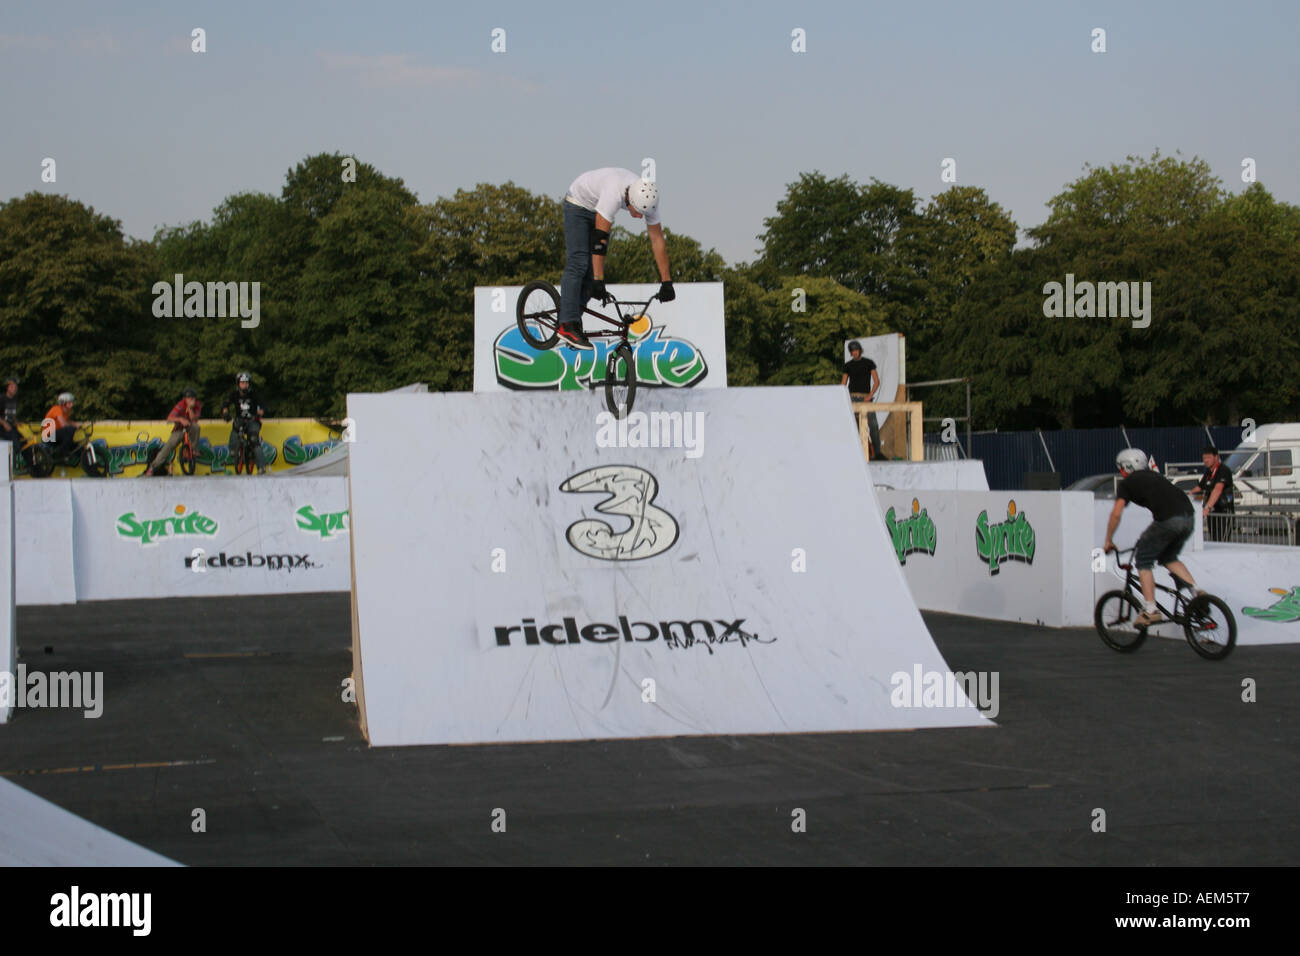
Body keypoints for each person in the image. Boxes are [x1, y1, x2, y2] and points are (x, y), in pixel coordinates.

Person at [557, 168, 675, 349]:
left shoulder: (649, 200)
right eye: (636, 212)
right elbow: (599, 242)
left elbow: (657, 240)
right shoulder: (613, 194)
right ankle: (567, 325)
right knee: (579, 262)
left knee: (590, 276)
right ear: (629, 200)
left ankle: (573, 322)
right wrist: (599, 280)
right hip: (578, 205)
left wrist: (667, 282)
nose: (639, 217)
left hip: (597, 205)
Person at [1104, 448, 1200, 627]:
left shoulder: (1127, 483)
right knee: (1168, 557)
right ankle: (1197, 595)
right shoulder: (1155, 476)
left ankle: (1150, 610)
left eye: (1121, 468)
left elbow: (1116, 514)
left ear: (1126, 467)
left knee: (1143, 560)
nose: (1121, 472)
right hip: (1189, 517)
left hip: (1169, 521)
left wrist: (1108, 540)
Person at [141, 388, 202, 477]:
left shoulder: (197, 405)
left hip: (190, 426)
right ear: (185, 399)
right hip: (179, 429)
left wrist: (190, 409)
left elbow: (194, 419)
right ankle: (153, 467)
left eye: (193, 398)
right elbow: (169, 418)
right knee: (170, 445)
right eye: (189, 398)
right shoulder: (180, 405)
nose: (191, 400)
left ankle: (193, 449)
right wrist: (180, 419)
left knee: (196, 427)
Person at [841, 341, 883, 459]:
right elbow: (843, 384)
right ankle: (855, 454)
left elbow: (876, 381)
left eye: (856, 350)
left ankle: (878, 453)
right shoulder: (848, 365)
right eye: (852, 351)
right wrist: (843, 397)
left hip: (865, 397)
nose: (854, 353)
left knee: (873, 425)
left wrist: (870, 395)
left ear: (860, 350)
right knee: (853, 426)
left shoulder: (869, 363)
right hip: (852, 397)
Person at [220, 372, 265, 473]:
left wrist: (260, 412)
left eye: (246, 383)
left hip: (253, 420)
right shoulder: (234, 394)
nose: (244, 385)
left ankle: (261, 467)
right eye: (242, 383)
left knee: (254, 440)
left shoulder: (253, 394)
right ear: (238, 384)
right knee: (235, 431)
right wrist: (225, 413)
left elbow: (262, 405)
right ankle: (235, 451)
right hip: (240, 420)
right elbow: (225, 404)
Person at [1190, 444, 1234, 542]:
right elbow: (1199, 488)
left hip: (1223, 512)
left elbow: (1217, 490)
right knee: (1214, 539)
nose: (1206, 460)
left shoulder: (1223, 470)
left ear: (1216, 457)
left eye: (1208, 457)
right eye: (1204, 458)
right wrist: (1187, 497)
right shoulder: (1208, 472)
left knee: (1223, 541)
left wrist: (1207, 507)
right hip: (1212, 513)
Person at [43, 392, 78, 458]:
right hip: (49, 436)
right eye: (70, 402)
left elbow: (68, 421)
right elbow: (63, 424)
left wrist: (77, 425)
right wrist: (74, 426)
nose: (72, 404)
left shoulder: (66, 411)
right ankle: (62, 451)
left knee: (75, 446)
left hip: (56, 435)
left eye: (72, 402)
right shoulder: (57, 409)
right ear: (63, 403)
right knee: (70, 429)